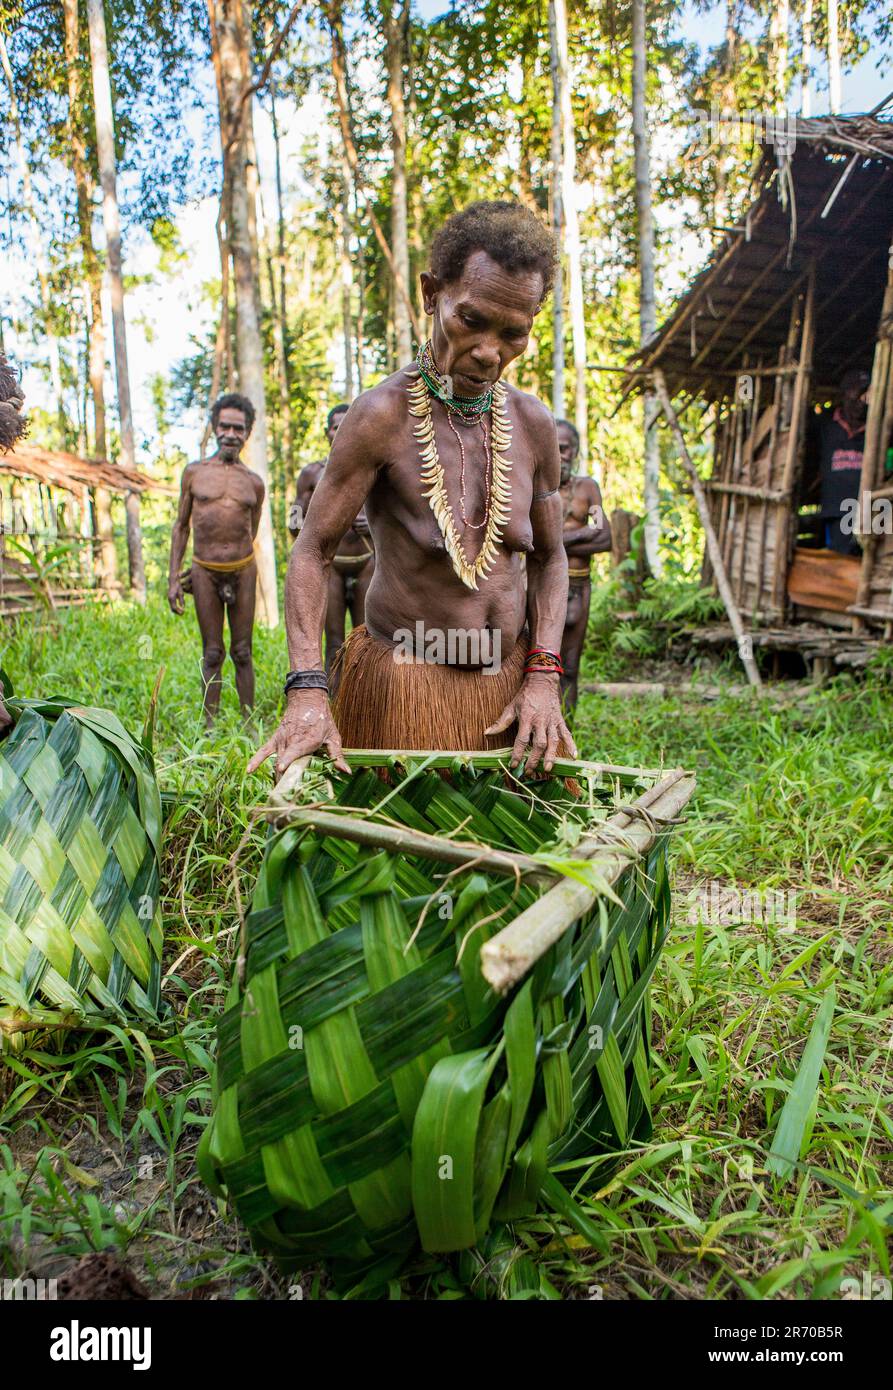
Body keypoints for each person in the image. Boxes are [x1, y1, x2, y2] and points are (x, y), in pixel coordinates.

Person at [249, 199, 577, 780]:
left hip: (506, 692)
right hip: (401, 683)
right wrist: (306, 689)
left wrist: (544, 676)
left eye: (513, 334)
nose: (488, 351)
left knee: (507, 867)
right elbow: (312, 550)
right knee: (395, 863)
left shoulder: (533, 425)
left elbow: (552, 558)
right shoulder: (380, 417)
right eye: (471, 321)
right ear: (432, 295)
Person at [168, 393, 265, 727]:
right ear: (214, 427)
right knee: (212, 652)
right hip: (203, 571)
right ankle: (208, 727)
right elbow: (181, 527)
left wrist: (235, 561)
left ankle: (249, 725)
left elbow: (250, 529)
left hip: (243, 570)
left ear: (247, 433)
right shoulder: (194, 473)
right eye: (224, 426)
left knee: (242, 651)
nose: (230, 434)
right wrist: (173, 580)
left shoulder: (254, 482)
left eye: (238, 428)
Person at [289, 404, 375, 680]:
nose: (340, 431)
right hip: (332, 565)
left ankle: (365, 708)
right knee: (335, 640)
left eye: (346, 425)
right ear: (328, 432)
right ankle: (333, 709)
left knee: (366, 641)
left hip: (367, 562)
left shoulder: (374, 465)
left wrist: (370, 526)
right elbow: (294, 521)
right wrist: (319, 526)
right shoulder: (312, 474)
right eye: (336, 426)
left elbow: (392, 517)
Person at [555, 419, 611, 710]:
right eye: (554, 447)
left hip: (578, 583)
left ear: (575, 451)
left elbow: (604, 536)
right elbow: (531, 540)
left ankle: (569, 735)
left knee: (571, 666)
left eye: (565, 448)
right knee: (536, 663)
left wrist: (559, 540)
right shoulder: (537, 488)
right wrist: (583, 534)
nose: (559, 453)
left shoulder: (588, 489)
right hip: (541, 584)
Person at [817, 368, 870, 555]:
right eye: (858, 393)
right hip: (838, 510)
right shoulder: (826, 426)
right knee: (841, 563)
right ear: (845, 395)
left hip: (872, 510)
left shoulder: (877, 428)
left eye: (866, 395)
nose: (862, 401)